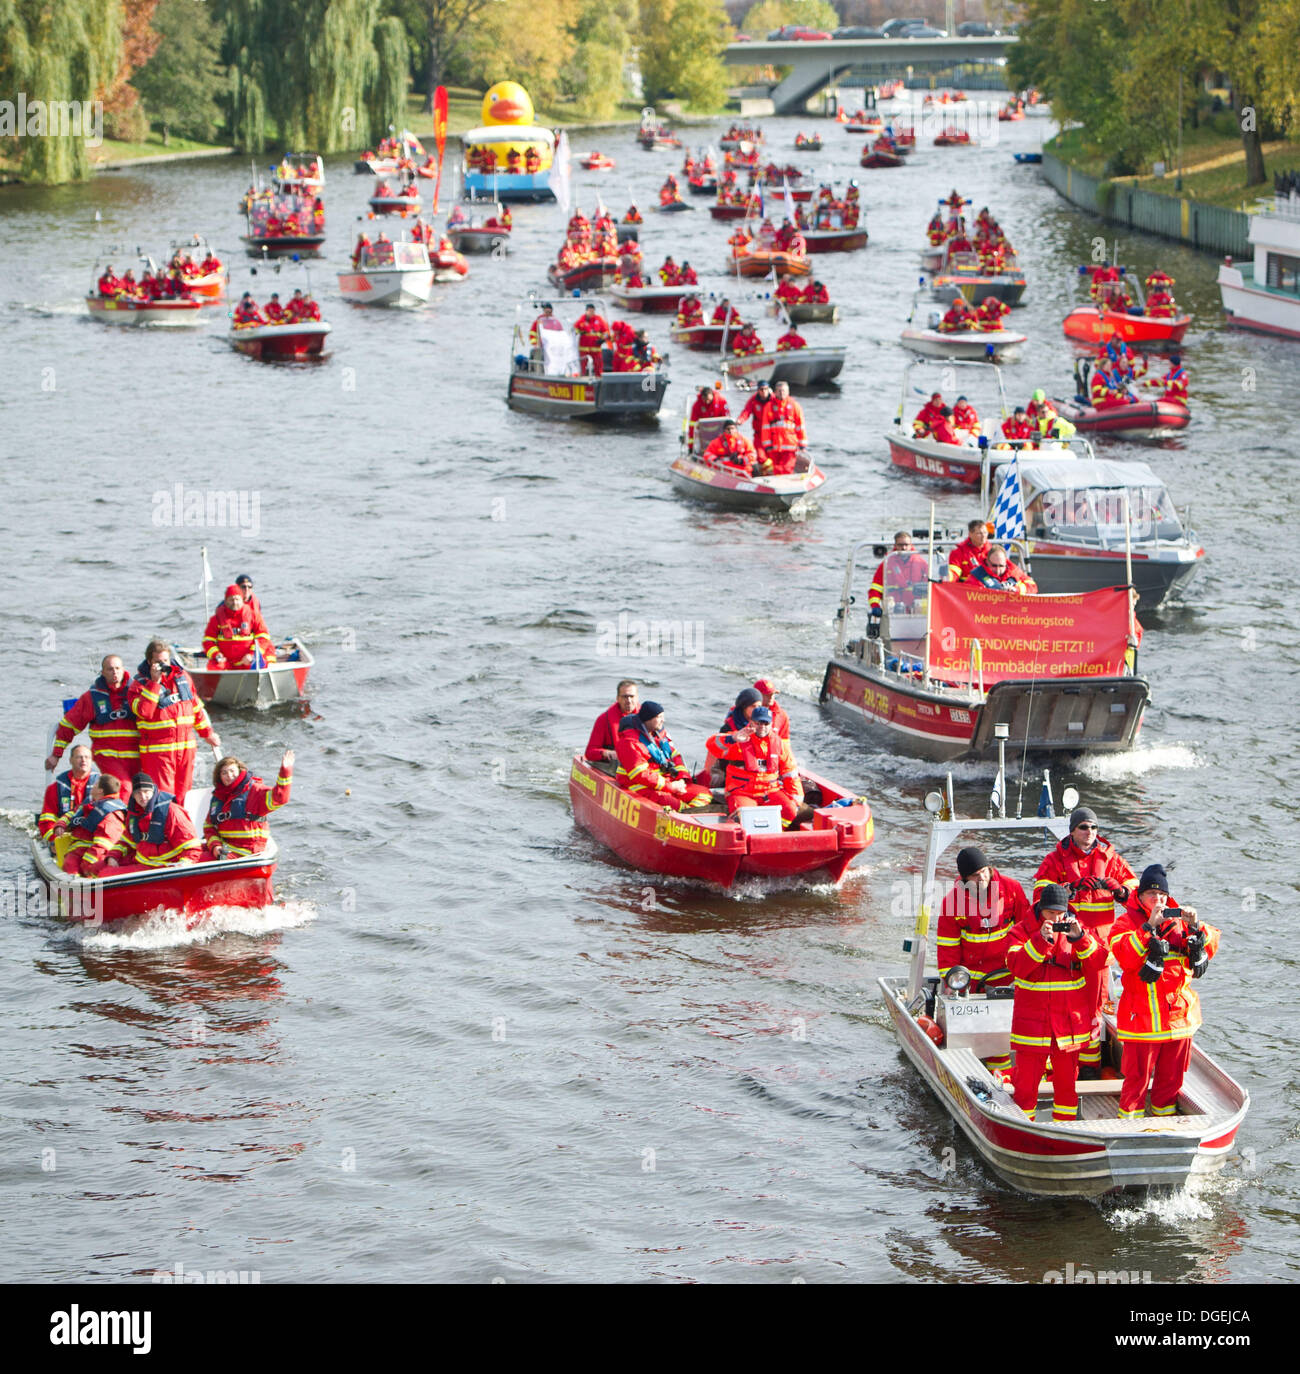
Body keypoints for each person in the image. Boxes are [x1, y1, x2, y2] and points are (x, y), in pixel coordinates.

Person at [1109, 864, 1218, 1120]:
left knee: (1171, 1080)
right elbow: (1123, 955)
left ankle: (1165, 1124)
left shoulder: (1180, 919)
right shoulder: (1126, 921)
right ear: (1140, 896)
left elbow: (1211, 945)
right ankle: (1128, 1128)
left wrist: (1197, 927)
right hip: (1142, 1019)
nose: (1157, 900)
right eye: (1151, 895)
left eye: (1162, 896)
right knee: (1136, 1080)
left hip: (1179, 1018)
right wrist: (1147, 928)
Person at [1033, 806, 1137, 1071]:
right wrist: (1069, 891)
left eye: (1094, 827)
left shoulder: (1110, 858)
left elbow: (1137, 893)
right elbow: (1039, 897)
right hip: (1067, 943)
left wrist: (1120, 890)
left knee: (1096, 1006)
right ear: (1072, 830)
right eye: (1083, 827)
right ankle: (1069, 1062)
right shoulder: (1056, 859)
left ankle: (1090, 1068)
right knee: (1070, 1003)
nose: (1089, 832)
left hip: (1100, 947)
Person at [1006, 884, 1109, 1121]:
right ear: (1041, 909)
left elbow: (1099, 962)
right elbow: (1016, 966)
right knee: (1025, 1088)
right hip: (1032, 1027)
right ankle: (1025, 1130)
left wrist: (1081, 939)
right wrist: (1040, 941)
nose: (1056, 918)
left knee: (1066, 1088)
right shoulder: (1020, 932)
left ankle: (1066, 1128)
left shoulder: (1078, 929)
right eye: (1050, 913)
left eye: (1060, 913)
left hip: (1067, 1026)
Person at [937, 847, 1034, 1071]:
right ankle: (985, 1067)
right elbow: (947, 948)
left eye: (983, 871)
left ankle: (1010, 1070)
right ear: (964, 878)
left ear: (989, 869)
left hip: (1008, 977)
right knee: (981, 1035)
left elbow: (1026, 930)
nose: (981, 878)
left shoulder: (1012, 890)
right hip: (973, 983)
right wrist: (953, 982)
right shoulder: (952, 902)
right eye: (974, 875)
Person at [129, 640, 221, 801]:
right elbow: (144, 712)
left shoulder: (182, 677)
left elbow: (195, 707)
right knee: (164, 797)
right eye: (158, 662)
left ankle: (180, 824)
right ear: (150, 662)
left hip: (185, 748)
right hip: (159, 752)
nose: (163, 665)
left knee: (184, 795)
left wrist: (207, 733)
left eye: (165, 661)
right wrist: (154, 683)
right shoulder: (139, 685)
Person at [47, 655, 141, 789]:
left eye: (117, 668)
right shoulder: (93, 697)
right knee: (123, 788)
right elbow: (69, 725)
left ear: (123, 670)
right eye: (110, 669)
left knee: (144, 791)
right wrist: (56, 754)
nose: (114, 672)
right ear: (102, 672)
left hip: (137, 756)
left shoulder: (136, 692)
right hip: (108, 755)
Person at [707, 708, 810, 828]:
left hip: (770, 792)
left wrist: (796, 802)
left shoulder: (780, 745)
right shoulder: (739, 739)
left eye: (766, 723)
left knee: (790, 810)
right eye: (758, 723)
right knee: (745, 817)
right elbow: (711, 744)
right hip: (742, 793)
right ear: (751, 722)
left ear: (771, 724)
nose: (762, 726)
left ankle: (776, 833)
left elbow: (791, 775)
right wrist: (733, 739)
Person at [616, 702, 711, 810]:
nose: (663, 720)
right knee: (672, 804)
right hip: (639, 785)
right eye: (659, 717)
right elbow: (639, 775)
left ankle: (690, 815)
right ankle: (686, 816)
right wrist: (670, 787)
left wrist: (682, 779)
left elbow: (675, 757)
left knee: (704, 793)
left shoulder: (658, 736)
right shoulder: (630, 743)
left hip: (665, 783)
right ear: (648, 719)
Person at [204, 750, 294, 858]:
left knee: (196, 860)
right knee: (189, 853)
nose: (229, 775)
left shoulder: (255, 791)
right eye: (224, 773)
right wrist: (215, 846)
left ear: (240, 771)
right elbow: (209, 826)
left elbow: (280, 798)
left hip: (247, 853)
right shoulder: (218, 797)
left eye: (232, 771)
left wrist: (285, 771)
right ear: (219, 777)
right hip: (225, 848)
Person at [110, 773, 201, 871]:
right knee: (101, 868)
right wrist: (112, 856)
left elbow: (191, 848)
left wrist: (183, 866)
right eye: (138, 793)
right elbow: (126, 841)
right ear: (133, 795)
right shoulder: (133, 814)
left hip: (168, 867)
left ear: (153, 791)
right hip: (143, 864)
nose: (142, 796)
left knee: (106, 874)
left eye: (146, 791)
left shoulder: (171, 811)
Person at [60, 775, 128, 876]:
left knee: (74, 871)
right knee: (69, 867)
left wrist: (86, 866)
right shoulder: (92, 803)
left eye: (95, 784)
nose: (93, 786)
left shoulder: (109, 814)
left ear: (100, 790)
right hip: (78, 849)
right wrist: (60, 825)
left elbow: (103, 845)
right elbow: (74, 814)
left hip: (94, 858)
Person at [202, 585, 275, 669]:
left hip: (248, 661)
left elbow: (263, 637)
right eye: (231, 599)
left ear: (242, 600)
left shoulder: (254, 616)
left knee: (262, 665)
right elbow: (208, 641)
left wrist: (252, 655)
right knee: (213, 667)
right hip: (226, 662)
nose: (235, 602)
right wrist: (217, 655)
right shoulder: (216, 619)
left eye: (237, 599)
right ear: (226, 601)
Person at [39, 744, 98, 844]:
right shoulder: (55, 788)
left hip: (91, 837)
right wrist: (55, 841)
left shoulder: (102, 786)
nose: (83, 760)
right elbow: (46, 820)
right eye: (79, 757)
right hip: (63, 836)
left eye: (87, 757)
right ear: (70, 760)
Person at [759, 380, 807, 476]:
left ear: (788, 392)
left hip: (790, 445)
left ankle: (787, 486)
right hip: (774, 446)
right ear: (775, 392)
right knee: (776, 470)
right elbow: (765, 428)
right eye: (779, 391)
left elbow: (800, 426)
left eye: (784, 391)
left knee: (787, 469)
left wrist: (802, 444)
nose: (781, 393)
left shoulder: (794, 406)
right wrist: (767, 445)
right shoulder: (769, 407)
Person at [586, 681, 639, 763]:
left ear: (637, 698)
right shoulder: (603, 720)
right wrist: (607, 753)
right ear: (617, 698)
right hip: (614, 765)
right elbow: (590, 753)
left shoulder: (648, 718)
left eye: (632, 696)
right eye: (625, 697)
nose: (628, 700)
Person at [576, 302, 610, 375]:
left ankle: (599, 378)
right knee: (582, 365)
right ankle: (582, 377)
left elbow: (606, 332)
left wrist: (602, 340)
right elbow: (574, 330)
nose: (591, 313)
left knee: (598, 365)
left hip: (596, 348)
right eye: (589, 311)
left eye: (593, 311)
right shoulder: (581, 320)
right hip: (584, 349)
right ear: (586, 311)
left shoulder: (599, 320)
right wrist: (580, 332)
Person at [737, 380, 773, 449]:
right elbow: (747, 411)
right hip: (759, 433)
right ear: (758, 390)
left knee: (773, 455)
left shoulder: (773, 399)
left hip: (771, 433)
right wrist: (740, 420)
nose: (764, 391)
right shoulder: (754, 400)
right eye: (761, 389)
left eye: (766, 389)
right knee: (760, 456)